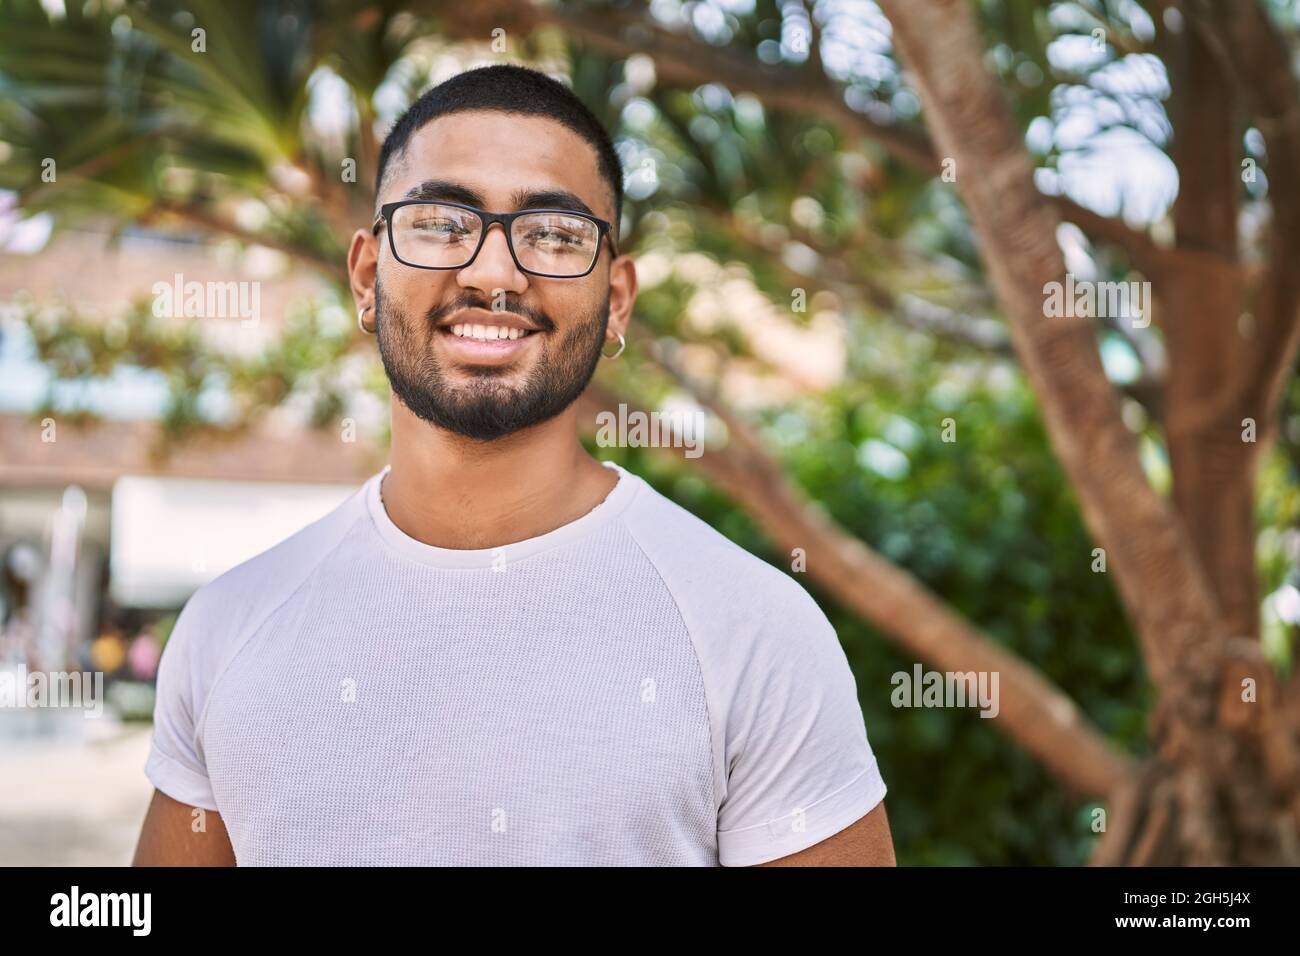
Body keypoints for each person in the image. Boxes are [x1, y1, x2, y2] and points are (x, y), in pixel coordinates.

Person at [133, 64, 894, 867]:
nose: (493, 275)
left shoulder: (754, 633)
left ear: (618, 302)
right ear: (366, 275)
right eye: (440, 222)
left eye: (555, 235)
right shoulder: (229, 628)